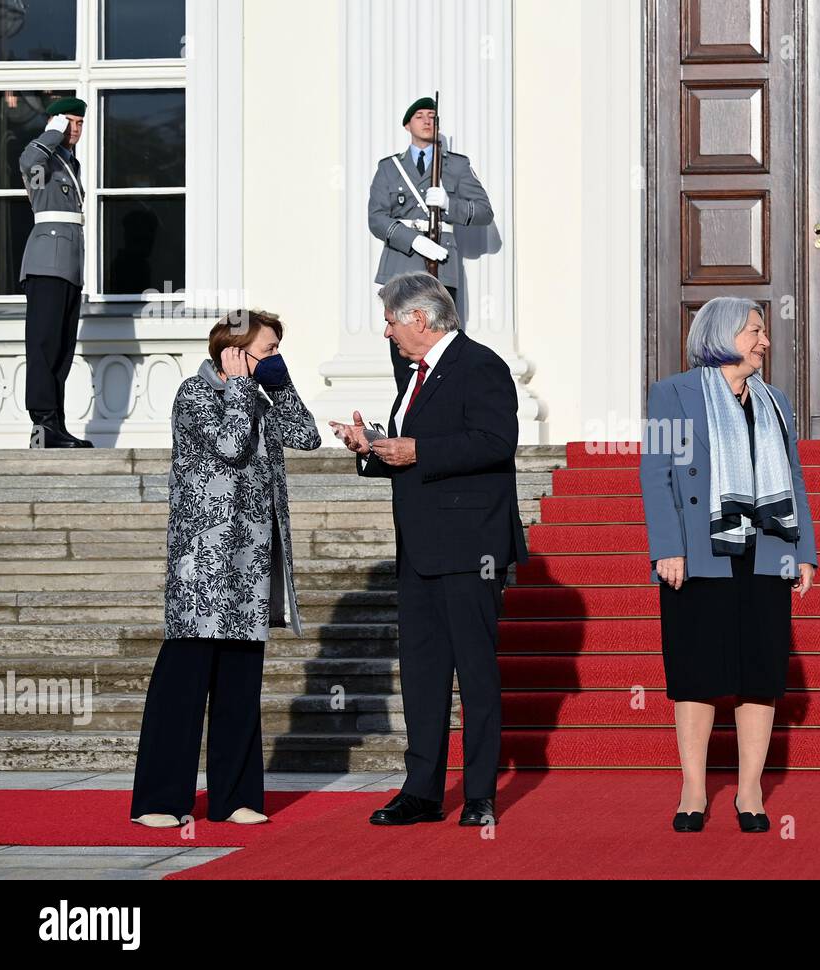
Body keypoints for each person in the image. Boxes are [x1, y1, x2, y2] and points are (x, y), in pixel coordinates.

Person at [330, 273, 526, 828]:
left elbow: (494, 443)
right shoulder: (413, 372)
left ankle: (481, 791)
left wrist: (417, 449)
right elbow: (409, 453)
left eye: (391, 319)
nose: (387, 330)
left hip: (470, 547)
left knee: (476, 671)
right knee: (422, 674)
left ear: (419, 317)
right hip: (418, 548)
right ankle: (422, 790)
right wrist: (370, 448)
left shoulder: (479, 364)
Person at [129, 310, 322, 828]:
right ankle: (159, 799)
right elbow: (231, 449)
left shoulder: (259, 397)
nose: (276, 357)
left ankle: (236, 796)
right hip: (204, 567)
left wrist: (279, 386)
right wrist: (240, 387)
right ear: (234, 352)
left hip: (251, 561)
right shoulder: (194, 394)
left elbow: (307, 437)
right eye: (269, 349)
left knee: (241, 685)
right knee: (183, 687)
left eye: (279, 349)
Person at [639, 297, 817, 834]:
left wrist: (803, 550)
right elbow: (656, 474)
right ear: (721, 335)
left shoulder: (776, 401)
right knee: (696, 672)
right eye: (754, 332)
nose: (764, 341)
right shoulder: (671, 394)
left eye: (762, 331)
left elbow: (794, 477)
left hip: (766, 551)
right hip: (698, 555)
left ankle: (749, 790)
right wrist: (667, 546)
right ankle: (694, 786)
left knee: (758, 674)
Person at [369, 96, 494, 390]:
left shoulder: (457, 166)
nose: (427, 121)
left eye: (432, 117)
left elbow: (484, 211)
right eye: (420, 116)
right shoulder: (390, 168)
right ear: (407, 124)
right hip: (402, 262)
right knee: (402, 338)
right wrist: (413, 240)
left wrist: (451, 205)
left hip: (441, 264)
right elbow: (376, 218)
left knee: (440, 338)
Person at [19, 97, 92, 449]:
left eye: (79, 122)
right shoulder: (45, 158)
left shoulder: (69, 163)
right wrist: (51, 134)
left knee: (62, 349)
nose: (75, 129)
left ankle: (56, 426)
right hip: (47, 262)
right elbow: (29, 162)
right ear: (55, 123)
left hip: (68, 266)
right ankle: (42, 425)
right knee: (44, 345)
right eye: (69, 122)